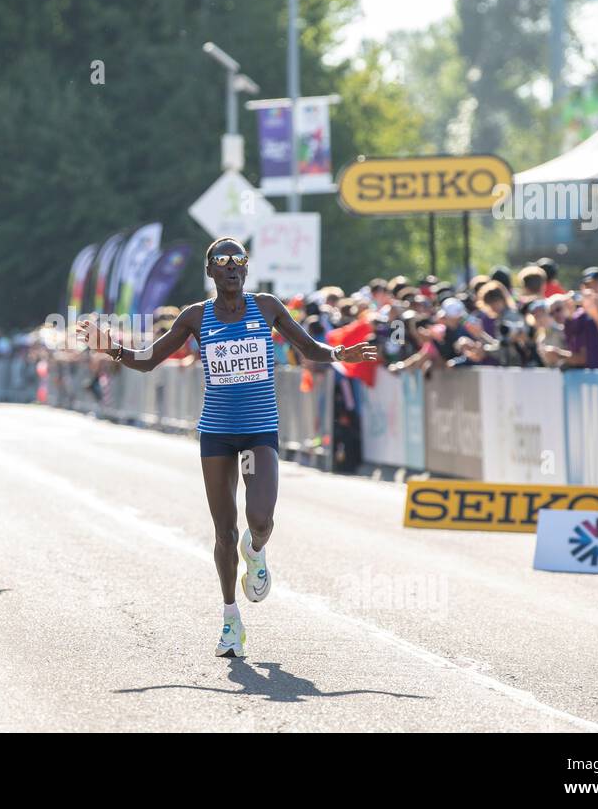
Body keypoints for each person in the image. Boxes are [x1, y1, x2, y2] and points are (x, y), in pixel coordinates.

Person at [76, 237, 378, 658]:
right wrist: (112, 347)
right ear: (210, 271)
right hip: (217, 433)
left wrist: (341, 352)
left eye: (239, 260)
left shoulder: (267, 306)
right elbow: (148, 360)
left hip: (258, 430)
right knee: (223, 530)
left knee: (260, 520)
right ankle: (231, 620)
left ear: (247, 269)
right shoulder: (195, 317)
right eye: (223, 260)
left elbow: (308, 348)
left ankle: (255, 553)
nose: (232, 266)